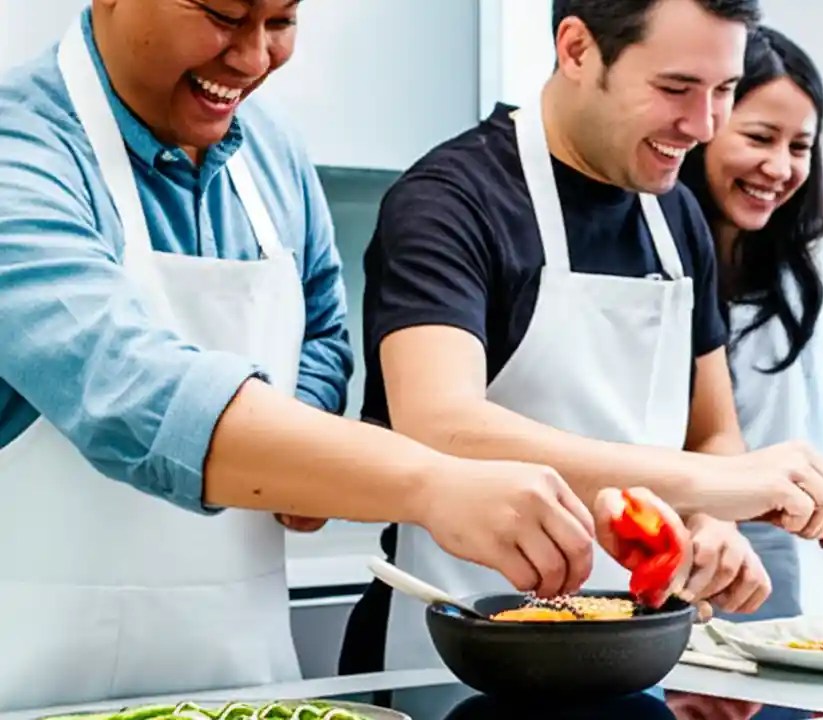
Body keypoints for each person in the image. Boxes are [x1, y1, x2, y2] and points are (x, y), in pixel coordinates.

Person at [0, 1, 681, 711]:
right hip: (36, 686)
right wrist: (433, 484)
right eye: (226, 15)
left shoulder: (270, 155)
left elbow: (322, 334)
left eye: (282, 21)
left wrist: (302, 455)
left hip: (246, 685)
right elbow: (128, 389)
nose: (255, 58)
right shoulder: (21, 150)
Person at [344, 0, 823, 673]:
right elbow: (439, 426)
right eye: (676, 88)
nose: (703, 125)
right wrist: (718, 484)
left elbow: (710, 427)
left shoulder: (675, 214)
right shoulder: (450, 201)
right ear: (577, 49)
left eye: (725, 91)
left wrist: (713, 524)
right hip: (459, 646)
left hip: (640, 651)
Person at [677, 26, 823, 620]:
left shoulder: (800, 272)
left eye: (800, 146)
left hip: (788, 575)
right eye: (759, 138)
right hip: (684, 567)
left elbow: (787, 433)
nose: (779, 166)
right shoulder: (659, 267)